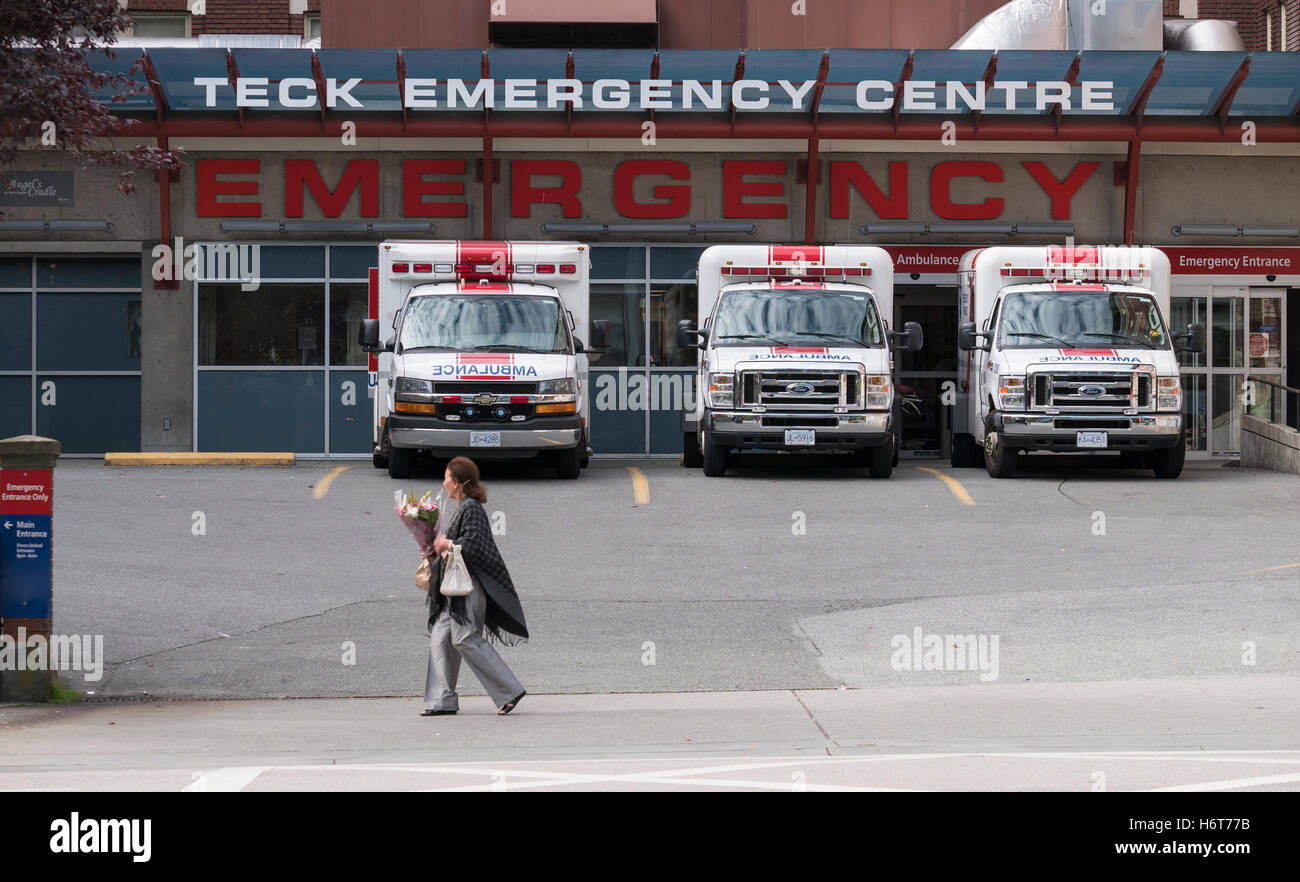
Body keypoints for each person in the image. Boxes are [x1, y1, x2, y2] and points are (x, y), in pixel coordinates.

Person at [422, 456, 528, 716]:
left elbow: (476, 547)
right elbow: (460, 546)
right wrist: (435, 549)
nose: (444, 482)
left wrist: (446, 544)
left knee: (464, 638)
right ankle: (441, 701)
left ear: (457, 482)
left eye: (447, 477)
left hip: (469, 589)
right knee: (440, 640)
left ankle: (509, 690)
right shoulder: (463, 508)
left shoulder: (471, 508)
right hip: (453, 591)